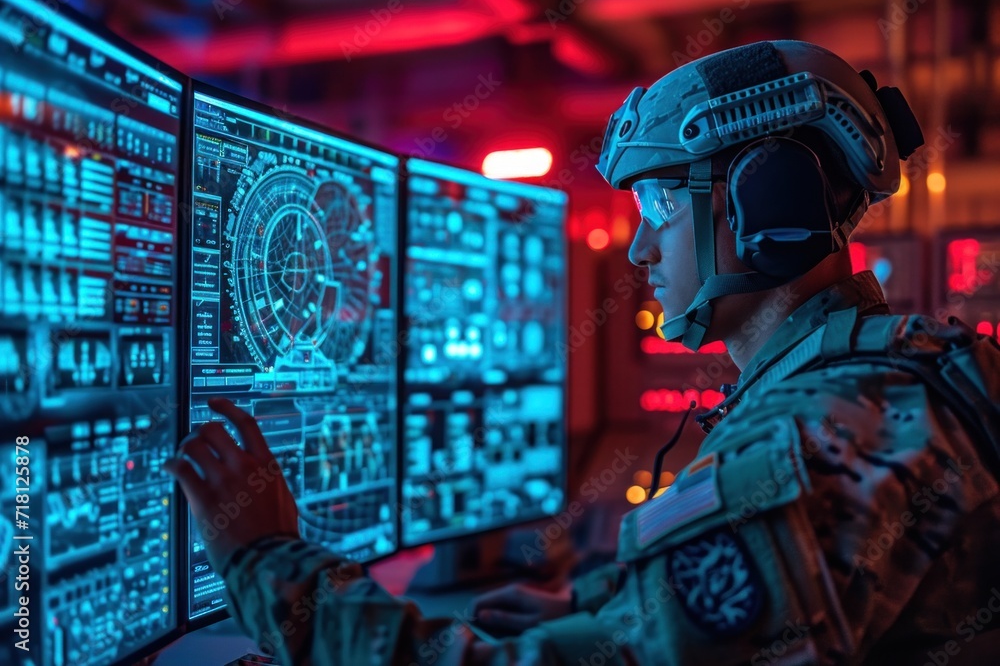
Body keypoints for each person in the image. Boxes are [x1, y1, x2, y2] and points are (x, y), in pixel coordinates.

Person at [166, 40, 1000, 665]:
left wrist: (267, 562)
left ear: (759, 206)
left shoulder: (817, 438)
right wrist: (606, 602)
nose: (639, 252)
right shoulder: (880, 379)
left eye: (658, 209)